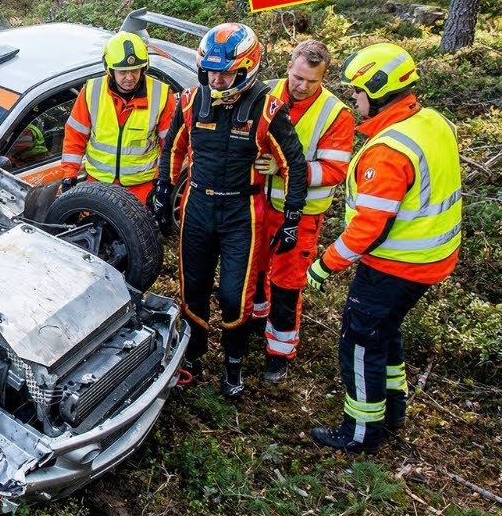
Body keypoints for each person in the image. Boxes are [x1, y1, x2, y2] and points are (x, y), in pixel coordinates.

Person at [307, 43, 461, 454]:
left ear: (377, 91)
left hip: (396, 266)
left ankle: (360, 432)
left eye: (357, 92)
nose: (354, 100)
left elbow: (369, 229)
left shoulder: (389, 151)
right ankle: (395, 410)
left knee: (359, 342)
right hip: (429, 260)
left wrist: (324, 265)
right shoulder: (431, 122)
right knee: (386, 333)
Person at [150, 23, 307, 397]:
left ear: (247, 68)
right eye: (211, 72)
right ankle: (194, 355)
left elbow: (295, 165)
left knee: (235, 295)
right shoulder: (189, 101)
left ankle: (234, 363)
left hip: (242, 211)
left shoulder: (268, 110)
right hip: (199, 206)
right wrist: (162, 188)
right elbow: (173, 148)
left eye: (226, 73)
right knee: (194, 289)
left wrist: (292, 218)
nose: (217, 80)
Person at [251, 40, 355, 383]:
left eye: (311, 81)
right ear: (288, 67)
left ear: (323, 78)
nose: (301, 86)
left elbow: (335, 169)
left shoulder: (335, 114)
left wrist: (284, 168)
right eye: (297, 77)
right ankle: (255, 322)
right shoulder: (264, 93)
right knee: (254, 270)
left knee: (286, 284)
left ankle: (278, 354)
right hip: (257, 203)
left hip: (302, 214)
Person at [60, 31, 174, 204]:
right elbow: (74, 137)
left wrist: (162, 181)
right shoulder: (91, 91)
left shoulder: (162, 95)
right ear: (110, 69)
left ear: (144, 67)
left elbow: (170, 147)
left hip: (141, 189)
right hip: (98, 186)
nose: (129, 78)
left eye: (135, 70)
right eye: (123, 72)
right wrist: (69, 177)